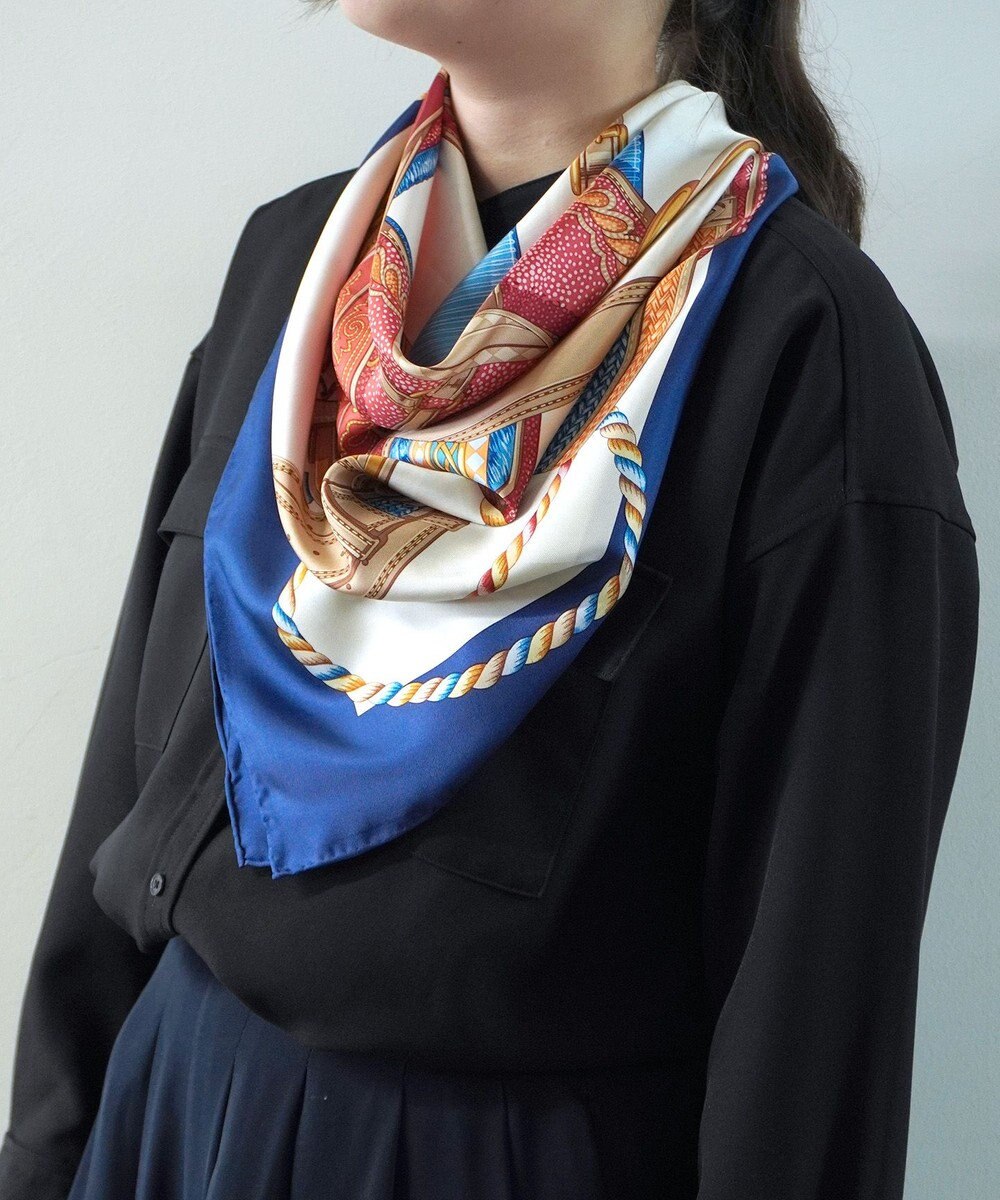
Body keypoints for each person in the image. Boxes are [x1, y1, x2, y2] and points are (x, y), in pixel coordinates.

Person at [0, 1, 980, 1198]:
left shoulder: (802, 349)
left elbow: (805, 1035)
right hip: (162, 1121)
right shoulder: (297, 270)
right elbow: (124, 805)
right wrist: (42, 1160)